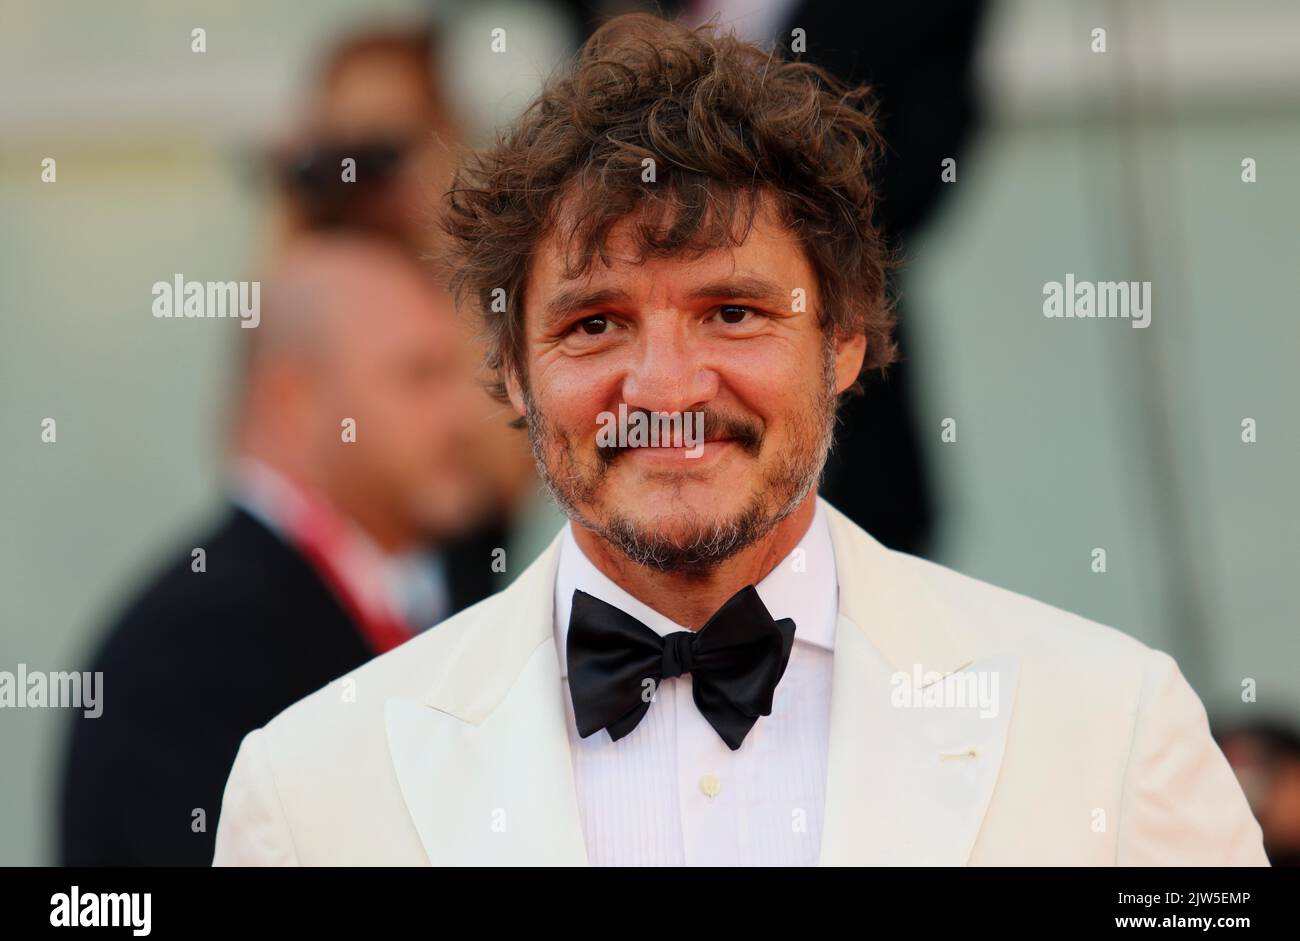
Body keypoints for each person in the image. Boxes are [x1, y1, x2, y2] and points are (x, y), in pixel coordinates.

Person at [213, 14, 1266, 866]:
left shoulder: (1108, 732)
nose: (667, 386)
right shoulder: (312, 789)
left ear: (844, 338)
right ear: (511, 372)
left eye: (733, 312)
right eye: (595, 323)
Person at [60, 233, 497, 865]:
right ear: (294, 401)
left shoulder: (437, 594)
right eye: (418, 377)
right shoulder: (186, 649)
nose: (463, 416)